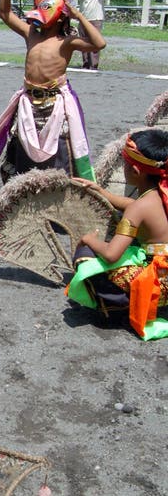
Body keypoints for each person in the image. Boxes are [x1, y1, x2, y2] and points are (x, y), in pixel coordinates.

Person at [0, 0, 106, 184]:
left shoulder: (67, 41)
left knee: (61, 154)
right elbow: (5, 13)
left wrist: (78, 14)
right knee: (20, 153)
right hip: (28, 101)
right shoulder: (31, 34)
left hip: (54, 103)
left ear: (60, 18)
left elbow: (99, 43)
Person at [67, 129, 168, 340]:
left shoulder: (138, 208)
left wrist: (89, 240)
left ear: (135, 171)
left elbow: (111, 255)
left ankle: (118, 307)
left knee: (86, 255)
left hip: (160, 285)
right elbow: (136, 205)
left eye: (125, 164)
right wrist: (102, 192)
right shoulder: (160, 193)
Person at [76, 0, 112, 70]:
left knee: (95, 42)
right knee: (83, 41)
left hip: (96, 16)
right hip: (84, 16)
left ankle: (94, 65)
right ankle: (86, 64)